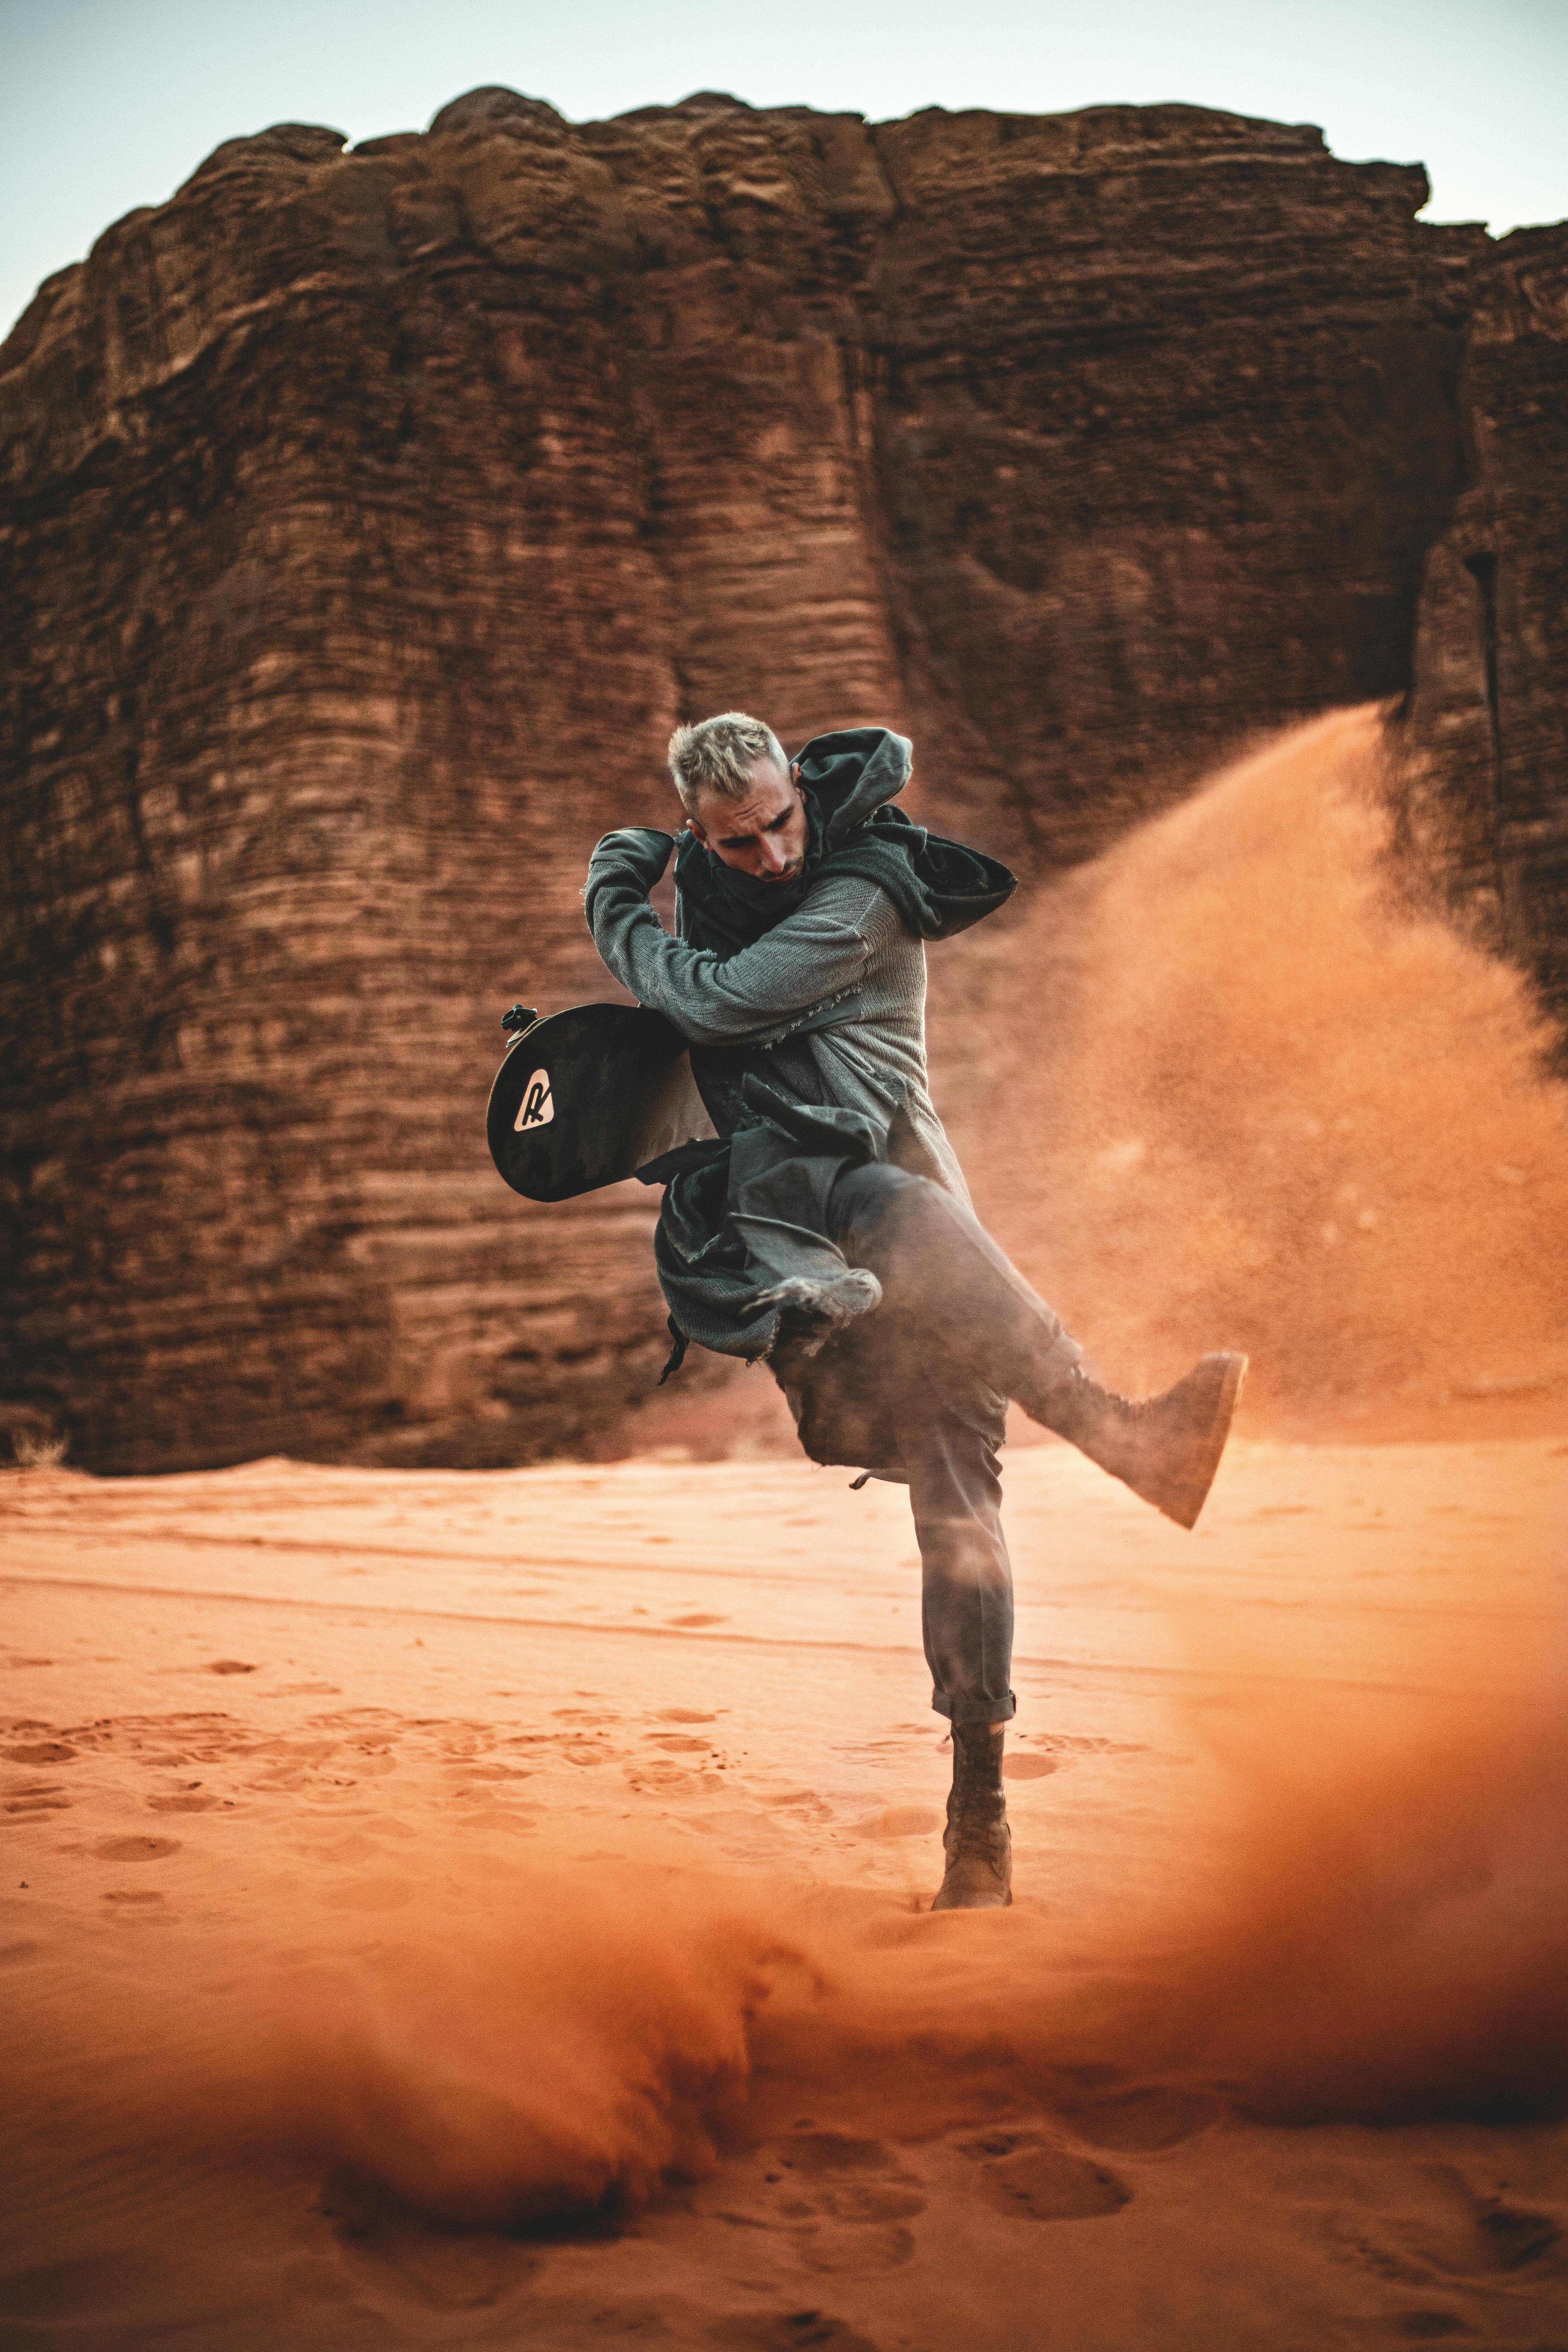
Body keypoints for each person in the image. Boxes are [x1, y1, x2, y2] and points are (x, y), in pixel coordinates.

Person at [583, 714, 1245, 1910]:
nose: (773, 856)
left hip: (929, 1255)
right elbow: (687, 1029)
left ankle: (977, 1826)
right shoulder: (720, 898)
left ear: (802, 787)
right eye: (737, 844)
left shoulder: (868, 889)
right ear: (698, 832)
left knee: (961, 1523)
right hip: (811, 1265)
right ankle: (1122, 1437)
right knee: (884, 1233)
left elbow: (718, 1008)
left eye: (781, 822)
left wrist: (615, 906)